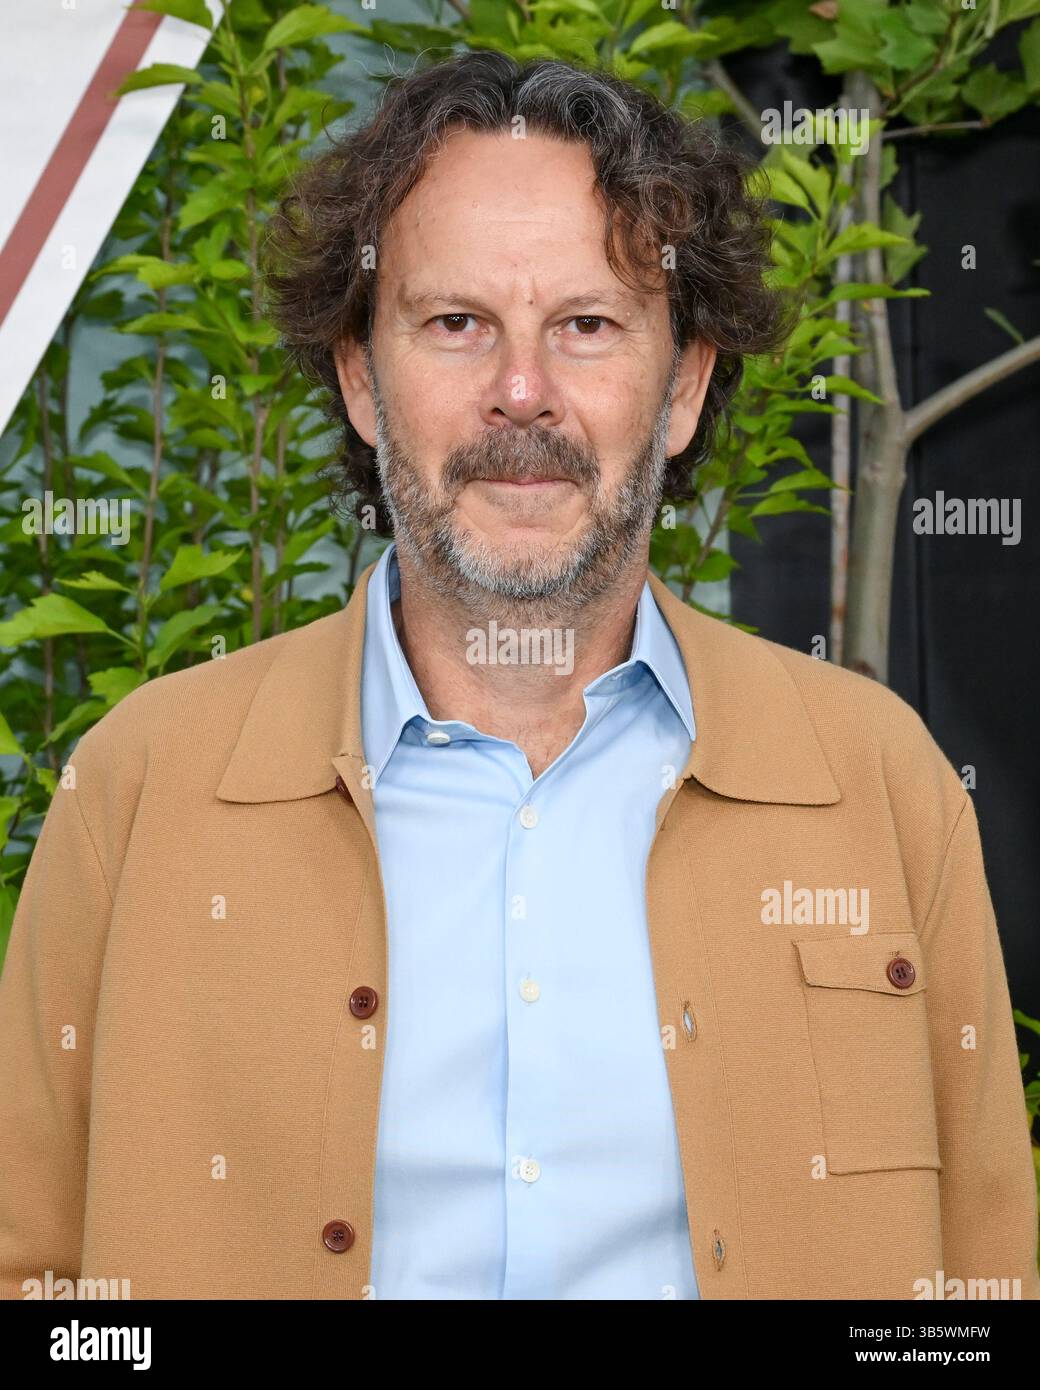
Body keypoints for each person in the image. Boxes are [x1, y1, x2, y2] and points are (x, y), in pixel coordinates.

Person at [1, 51, 1036, 1301]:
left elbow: (982, 1292)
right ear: (358, 379)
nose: (521, 393)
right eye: (455, 324)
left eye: (586, 326)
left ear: (685, 387)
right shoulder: (136, 786)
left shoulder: (880, 786)